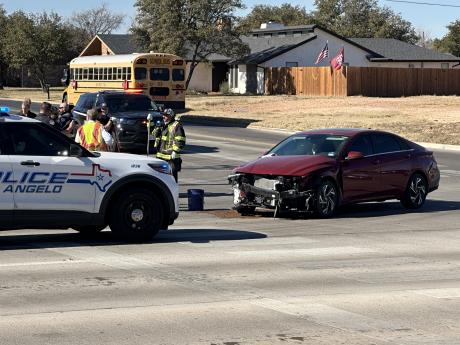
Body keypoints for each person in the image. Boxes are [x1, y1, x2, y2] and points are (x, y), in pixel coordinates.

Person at [152, 108, 186, 182]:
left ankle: (173, 192)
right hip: (160, 156)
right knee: (160, 178)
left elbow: (180, 139)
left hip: (171, 157)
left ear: (171, 116)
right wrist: (157, 127)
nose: (164, 117)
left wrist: (175, 151)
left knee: (172, 178)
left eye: (166, 115)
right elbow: (154, 134)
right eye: (163, 115)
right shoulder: (162, 124)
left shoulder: (176, 125)